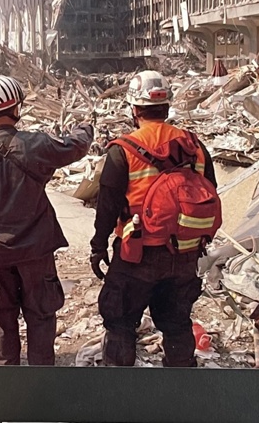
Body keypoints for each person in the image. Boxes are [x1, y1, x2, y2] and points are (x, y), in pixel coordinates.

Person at [0, 75, 93, 365]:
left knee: (2, 325)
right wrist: (85, 129)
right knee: (41, 319)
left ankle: (10, 393)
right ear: (16, 108)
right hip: (35, 253)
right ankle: (40, 390)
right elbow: (74, 147)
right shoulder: (36, 144)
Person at [90, 70, 219, 368]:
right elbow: (210, 193)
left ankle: (119, 394)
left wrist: (98, 247)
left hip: (137, 254)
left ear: (134, 109)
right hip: (185, 253)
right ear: (167, 107)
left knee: (120, 321)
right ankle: (181, 391)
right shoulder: (195, 146)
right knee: (176, 322)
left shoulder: (123, 151)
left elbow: (107, 207)